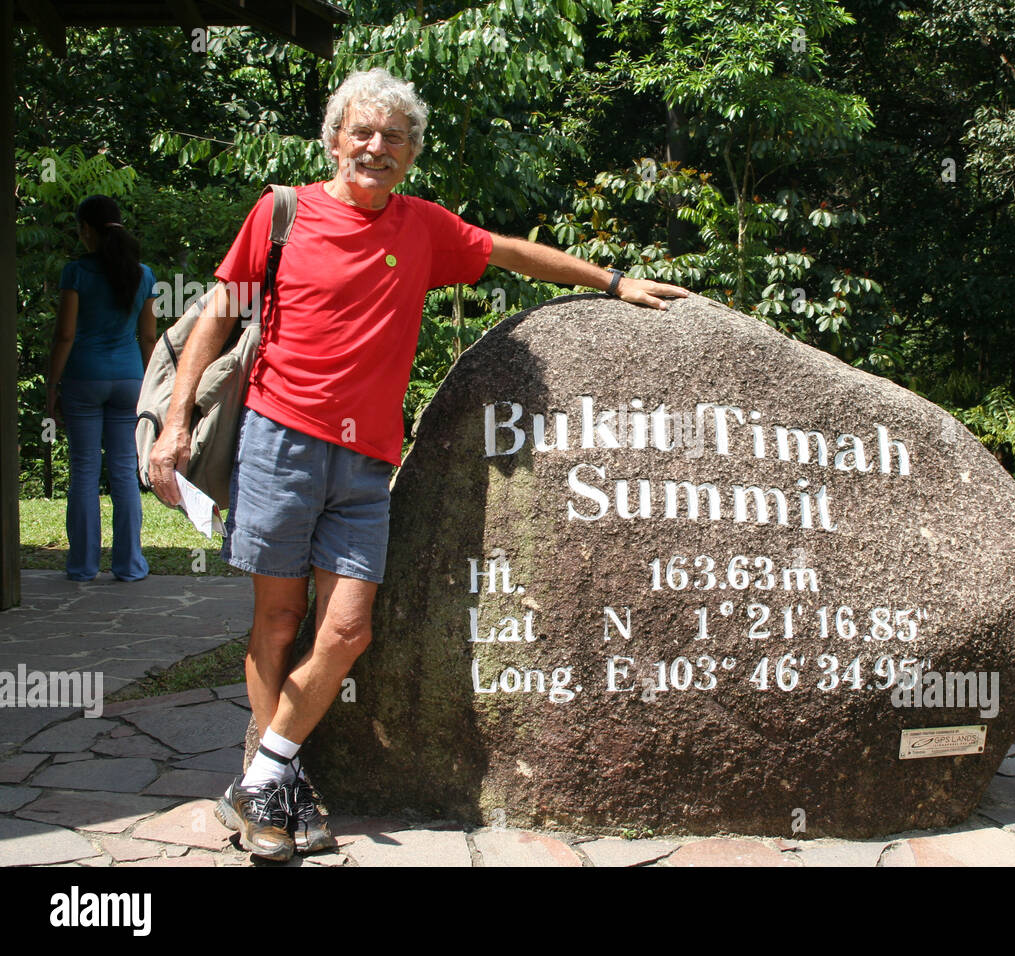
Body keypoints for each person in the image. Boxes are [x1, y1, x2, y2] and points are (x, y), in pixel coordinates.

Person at [147, 67, 690, 862]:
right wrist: (174, 422)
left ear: (410, 154)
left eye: (394, 138)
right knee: (278, 620)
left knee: (348, 629)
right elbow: (216, 317)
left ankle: (264, 773)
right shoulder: (281, 213)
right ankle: (267, 783)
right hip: (279, 439)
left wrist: (612, 280)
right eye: (362, 133)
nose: (376, 147)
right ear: (335, 141)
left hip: (367, 460)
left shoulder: (423, 227)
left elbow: (510, 253)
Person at [47, 195, 156, 583]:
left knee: (84, 470)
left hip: (83, 379)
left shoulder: (75, 273)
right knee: (125, 470)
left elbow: (65, 335)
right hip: (129, 380)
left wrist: (51, 386)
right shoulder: (143, 274)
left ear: (86, 229)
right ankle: (129, 565)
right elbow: (148, 336)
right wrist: (152, 388)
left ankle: (82, 566)